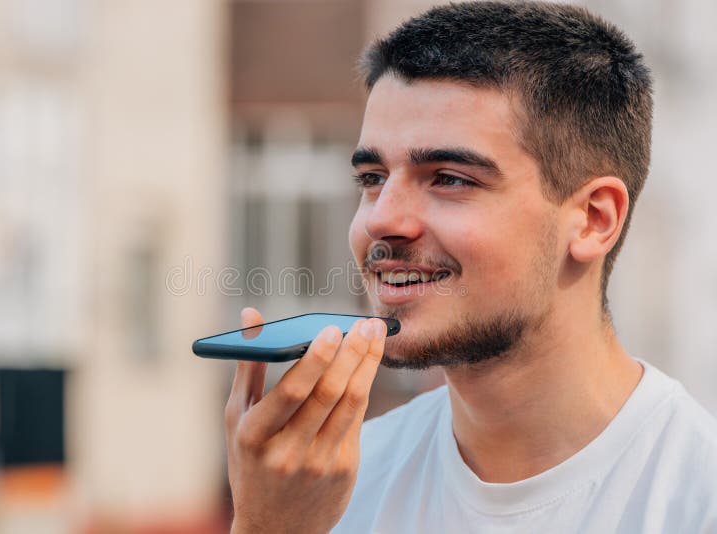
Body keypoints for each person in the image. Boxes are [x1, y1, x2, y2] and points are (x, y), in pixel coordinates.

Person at [223, 2, 717, 532]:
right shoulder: (325, 488)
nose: (382, 218)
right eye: (372, 178)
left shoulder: (692, 497)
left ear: (595, 219)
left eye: (450, 178)